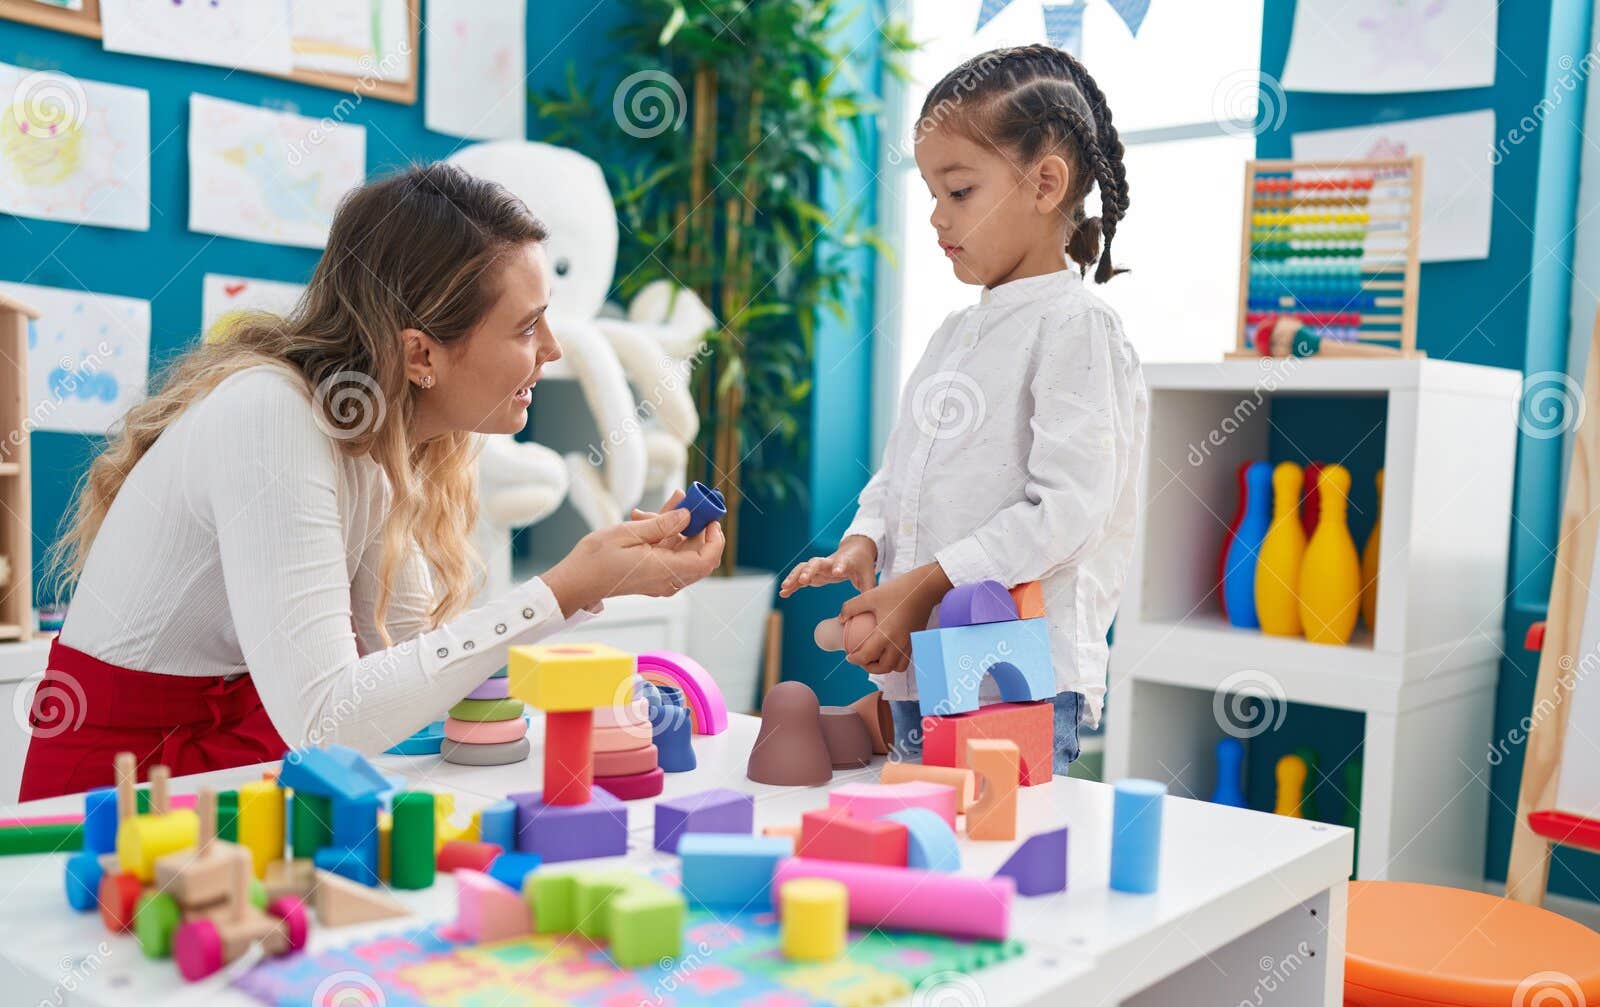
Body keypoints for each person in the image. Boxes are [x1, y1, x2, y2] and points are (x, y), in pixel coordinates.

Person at [20, 164, 722, 801]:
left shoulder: (373, 442)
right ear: (421, 353)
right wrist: (570, 584)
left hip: (236, 774)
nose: (554, 349)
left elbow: (416, 666)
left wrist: (592, 583)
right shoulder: (273, 414)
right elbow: (332, 717)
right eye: (528, 325)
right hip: (114, 794)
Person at [779, 44, 1147, 776]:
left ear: (1045, 184)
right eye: (930, 193)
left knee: (995, 857)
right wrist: (865, 540)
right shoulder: (957, 333)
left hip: (1016, 675)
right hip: (928, 669)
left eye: (959, 192)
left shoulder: (1076, 327)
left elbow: (1068, 509)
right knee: (933, 861)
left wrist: (925, 586)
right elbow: (902, 467)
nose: (935, 217)